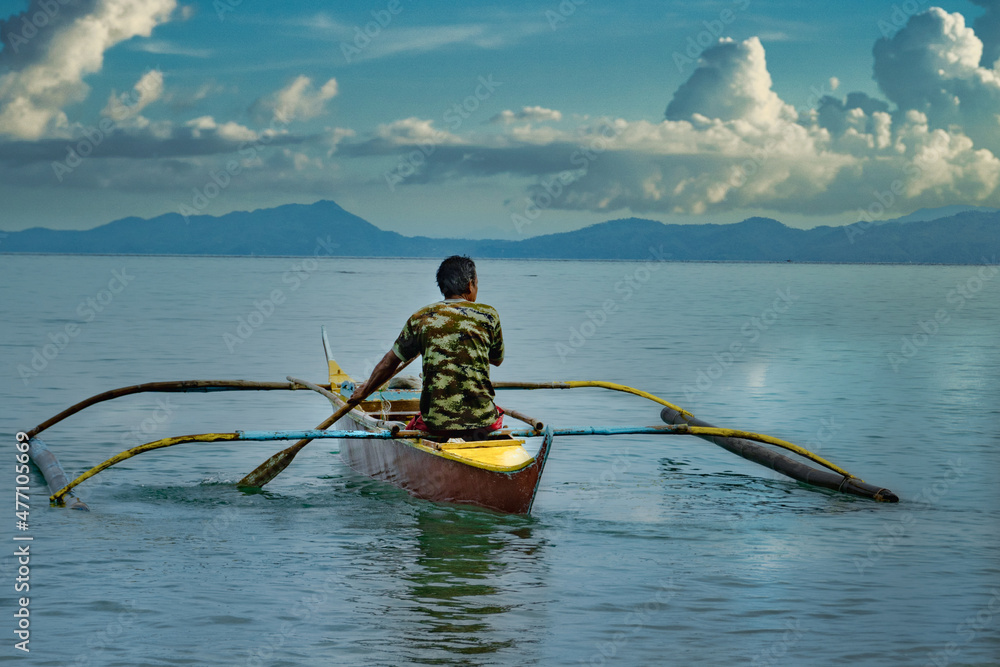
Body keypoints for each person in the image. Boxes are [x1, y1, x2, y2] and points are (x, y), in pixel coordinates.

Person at [349, 256, 504, 439]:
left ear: (443, 288)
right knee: (495, 413)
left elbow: (389, 363)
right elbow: (496, 359)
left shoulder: (421, 317)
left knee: (418, 423)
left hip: (437, 424)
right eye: (477, 284)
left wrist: (364, 392)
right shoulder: (489, 315)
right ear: (470, 285)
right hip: (482, 422)